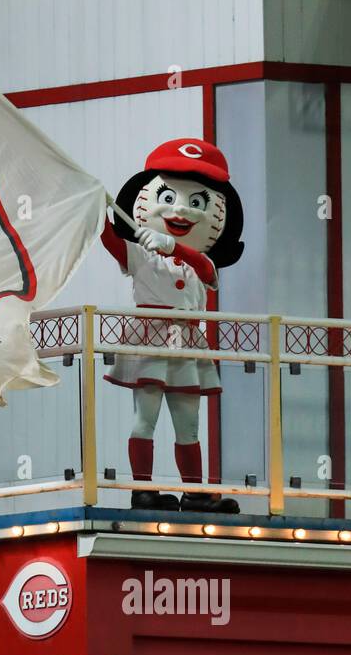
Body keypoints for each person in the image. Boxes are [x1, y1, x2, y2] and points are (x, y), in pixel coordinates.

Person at [101, 139, 245, 513]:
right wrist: (96, 208)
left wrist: (173, 246)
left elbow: (206, 271)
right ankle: (142, 491)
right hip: (149, 336)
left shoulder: (202, 261)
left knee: (188, 423)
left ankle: (194, 493)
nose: (181, 209)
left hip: (186, 339)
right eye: (168, 197)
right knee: (144, 418)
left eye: (197, 202)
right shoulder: (140, 254)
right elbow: (111, 241)